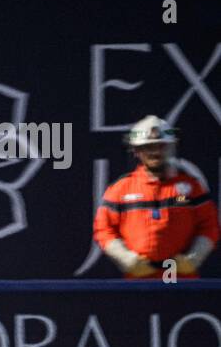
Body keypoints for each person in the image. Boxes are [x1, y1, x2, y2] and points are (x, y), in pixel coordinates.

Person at [93, 115, 218, 278]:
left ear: (170, 148)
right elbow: (103, 229)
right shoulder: (120, 189)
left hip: (181, 280)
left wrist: (193, 259)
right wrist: (126, 259)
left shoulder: (191, 188)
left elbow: (210, 226)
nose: (155, 152)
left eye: (161, 146)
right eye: (148, 147)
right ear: (137, 151)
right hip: (138, 280)